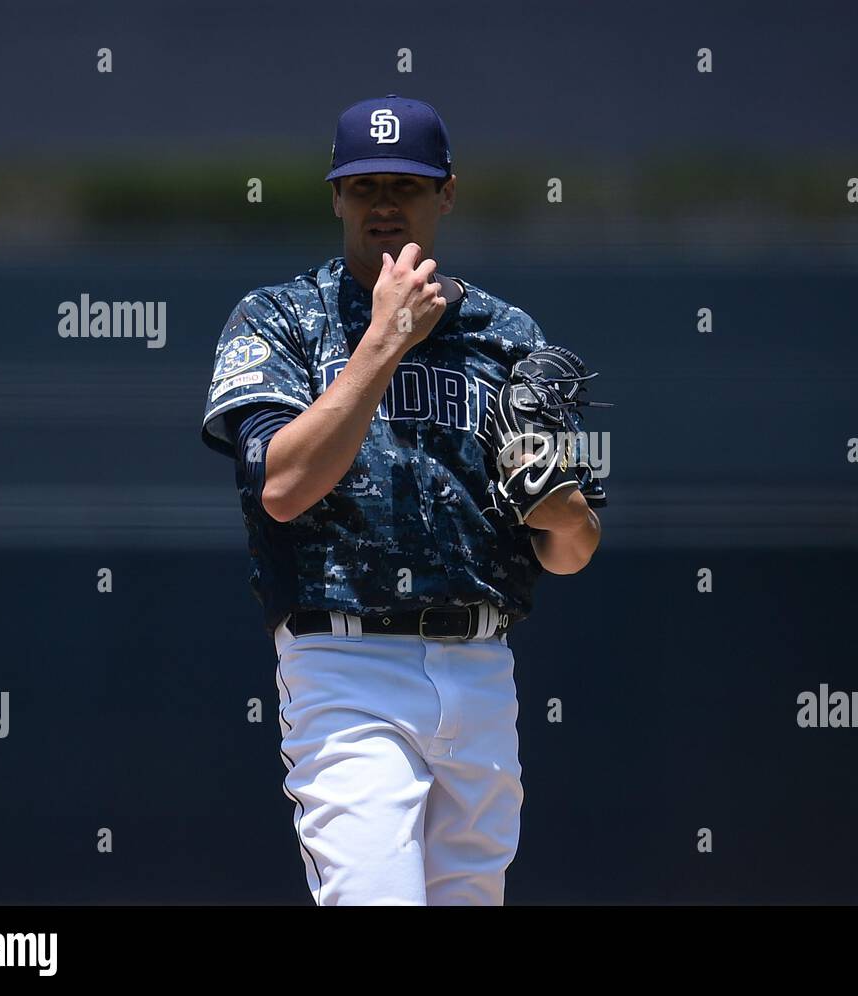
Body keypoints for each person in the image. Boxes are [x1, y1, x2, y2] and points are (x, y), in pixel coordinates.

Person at [198, 94, 602, 905]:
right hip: (346, 664)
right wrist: (385, 340)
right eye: (364, 184)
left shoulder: (506, 334)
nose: (384, 203)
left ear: (445, 194)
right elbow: (280, 487)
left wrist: (556, 503)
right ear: (336, 195)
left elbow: (570, 548)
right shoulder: (282, 318)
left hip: (481, 662)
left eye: (407, 185)